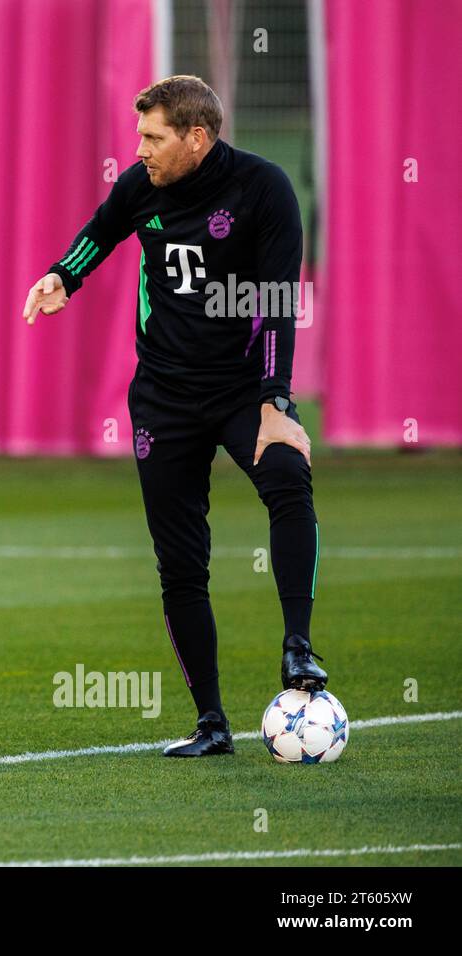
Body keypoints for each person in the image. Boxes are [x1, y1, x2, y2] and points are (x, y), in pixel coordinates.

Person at [22, 75, 326, 757]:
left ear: (198, 136)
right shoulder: (142, 186)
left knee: (287, 476)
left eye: (154, 137)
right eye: (139, 135)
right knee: (181, 562)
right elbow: (101, 232)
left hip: (245, 389)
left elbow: (278, 297)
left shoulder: (263, 188)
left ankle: (299, 647)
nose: (140, 150)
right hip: (163, 397)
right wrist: (60, 277)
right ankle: (211, 722)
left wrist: (277, 401)